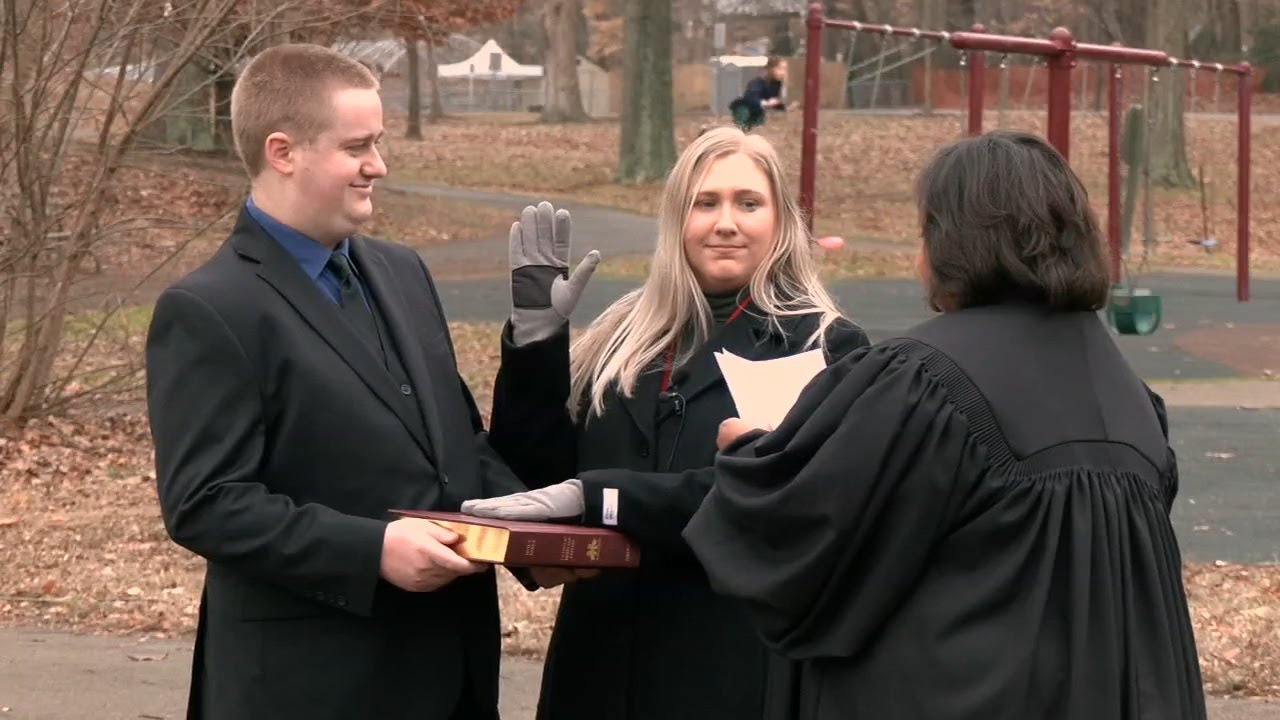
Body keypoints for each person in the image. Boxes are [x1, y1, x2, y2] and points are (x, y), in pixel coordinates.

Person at [685, 130, 1208, 720]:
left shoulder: (925, 382)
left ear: (954, 241)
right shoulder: (1130, 396)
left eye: (925, 231)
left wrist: (751, 454)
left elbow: (808, 542)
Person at [144, 44, 533, 720]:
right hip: (310, 687)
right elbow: (205, 502)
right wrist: (372, 550)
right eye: (358, 146)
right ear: (283, 151)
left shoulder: (401, 270)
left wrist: (536, 530)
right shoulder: (211, 308)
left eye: (378, 142)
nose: (378, 165)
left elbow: (454, 447)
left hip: (450, 673)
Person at [461, 126, 871, 720]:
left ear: (782, 222)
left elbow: (775, 502)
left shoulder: (823, 346)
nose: (724, 222)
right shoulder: (621, 339)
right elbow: (535, 484)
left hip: (730, 672)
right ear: (677, 220)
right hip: (596, 671)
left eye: (748, 203)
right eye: (705, 203)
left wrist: (600, 497)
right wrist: (535, 344)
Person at [728, 56, 788, 131]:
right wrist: (767, 103)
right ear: (770, 69)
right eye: (779, 68)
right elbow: (751, 98)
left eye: (785, 69)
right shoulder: (758, 82)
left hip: (759, 113)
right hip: (744, 111)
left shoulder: (777, 84)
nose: (783, 72)